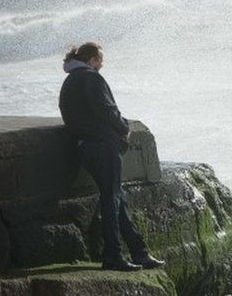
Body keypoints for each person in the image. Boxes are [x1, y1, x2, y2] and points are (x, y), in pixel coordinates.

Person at [59, 42, 165, 272]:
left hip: (84, 147)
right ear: (92, 60)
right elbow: (107, 110)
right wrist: (124, 127)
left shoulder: (69, 82)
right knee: (111, 200)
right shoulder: (92, 78)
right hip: (103, 147)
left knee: (115, 198)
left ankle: (139, 252)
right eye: (100, 59)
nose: (102, 64)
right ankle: (113, 256)